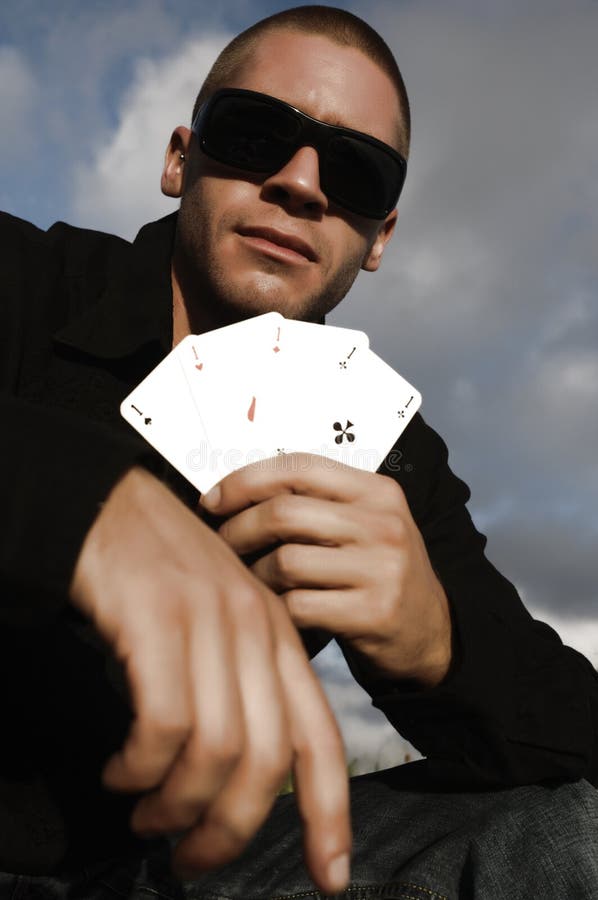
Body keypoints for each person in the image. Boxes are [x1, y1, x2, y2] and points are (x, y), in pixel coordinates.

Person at [1, 6, 597, 899]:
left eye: (355, 170)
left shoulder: (388, 456)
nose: (302, 183)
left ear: (380, 236)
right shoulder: (22, 280)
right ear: (179, 160)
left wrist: (441, 646)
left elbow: (574, 729)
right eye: (255, 133)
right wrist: (82, 504)